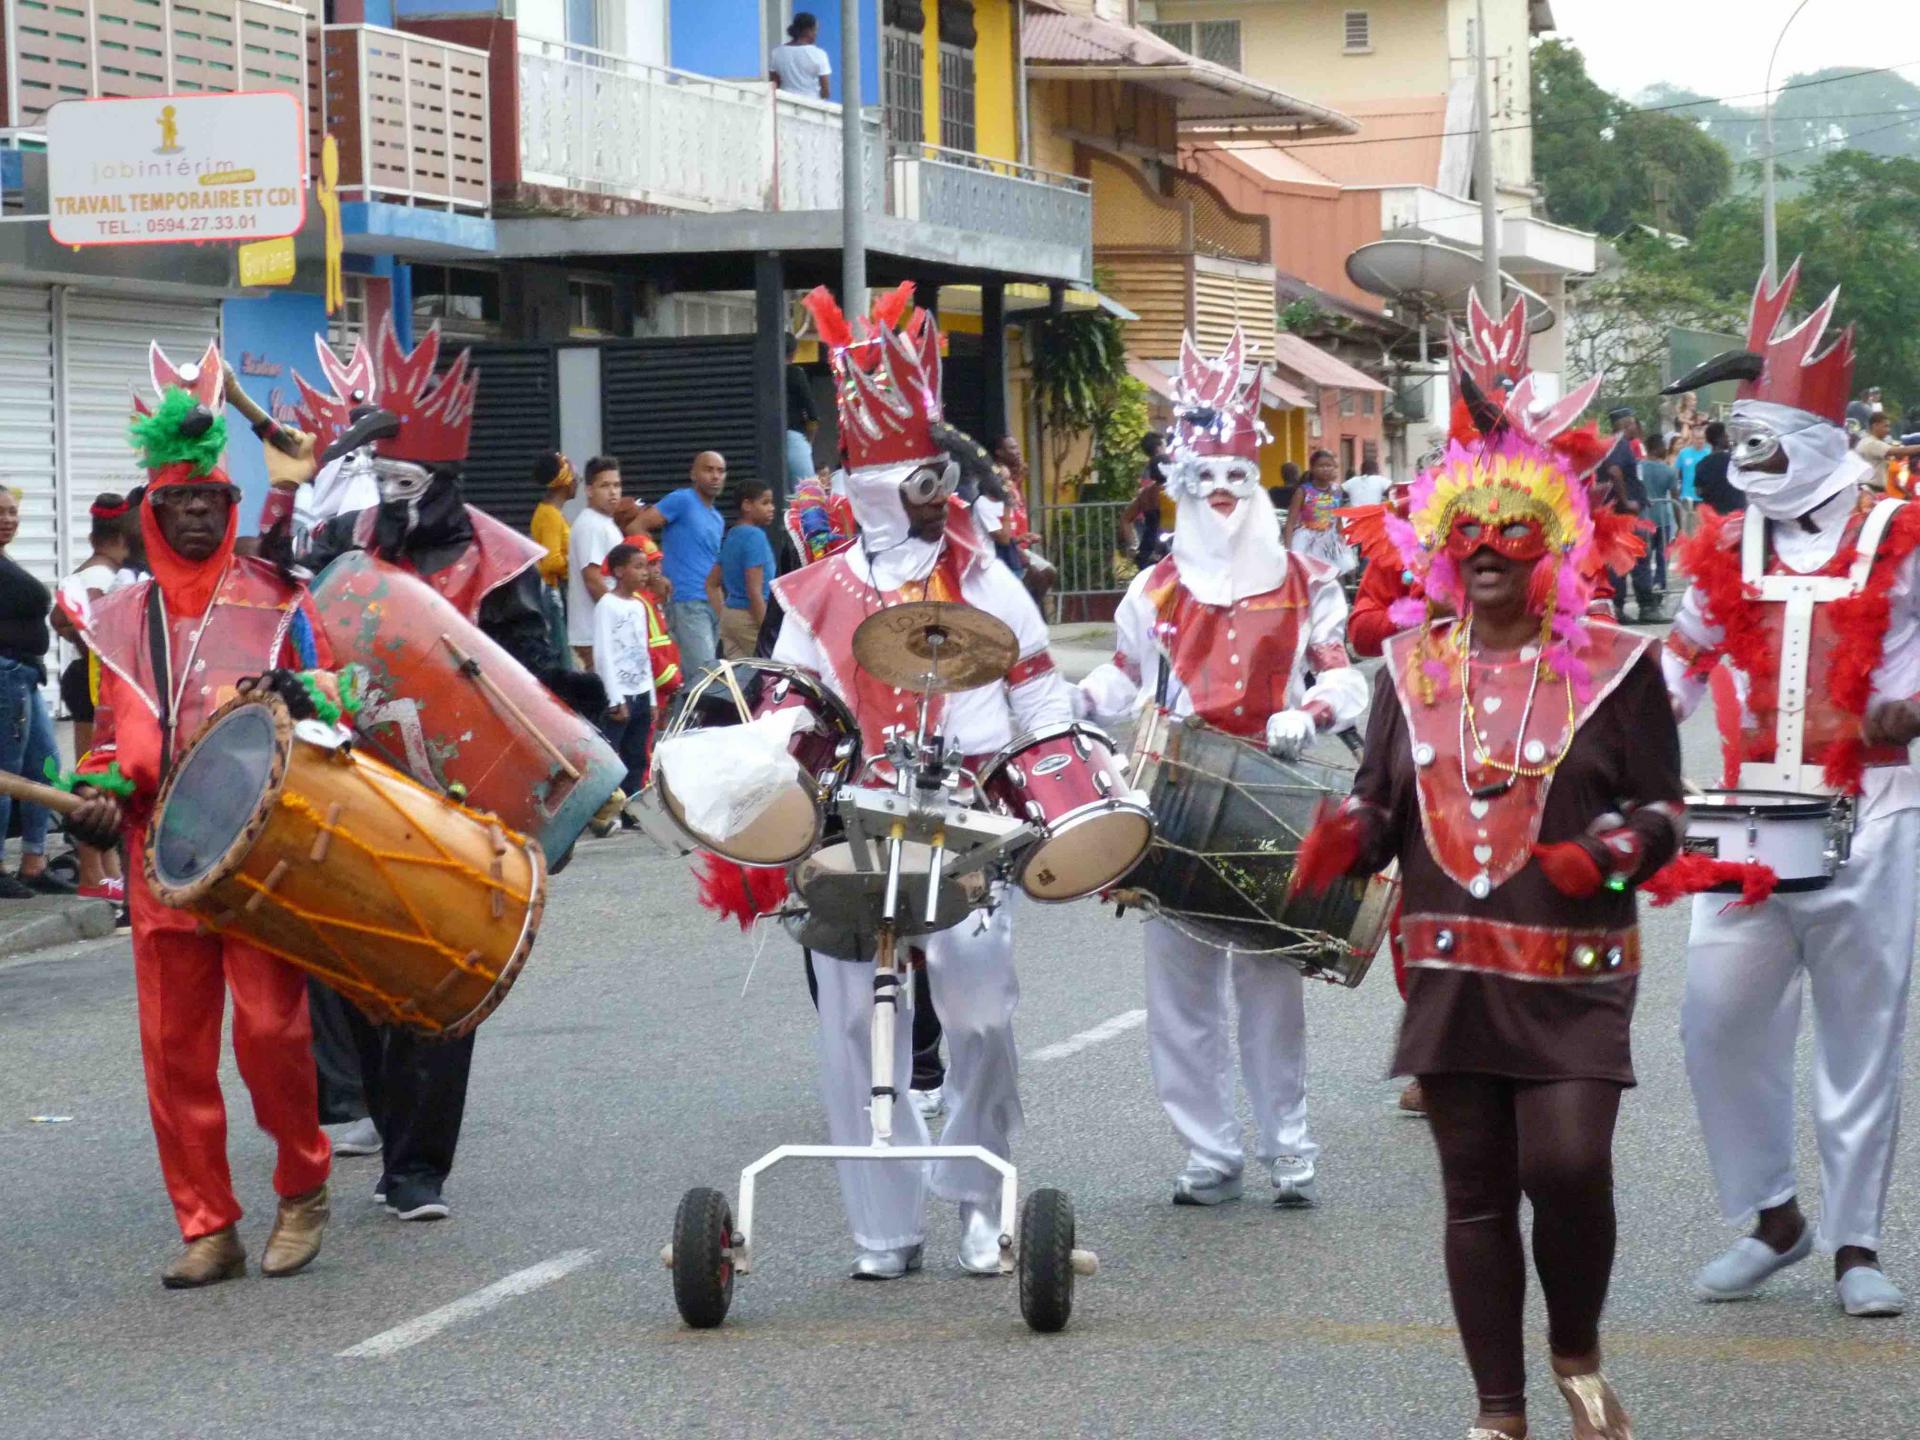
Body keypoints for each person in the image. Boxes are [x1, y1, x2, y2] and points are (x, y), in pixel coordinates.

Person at [1294, 417, 1683, 1440]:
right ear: (1441, 548)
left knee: (1566, 1168)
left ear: (1553, 543)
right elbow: (1380, 812)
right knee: (1474, 1193)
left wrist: (1605, 855)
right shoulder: (1412, 672)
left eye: (1513, 529)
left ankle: (1577, 1353)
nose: (1486, 547)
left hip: (1576, 968)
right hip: (1451, 969)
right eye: (1465, 530)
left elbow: (1665, 812)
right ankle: (1497, 1411)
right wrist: (1347, 837)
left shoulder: (1618, 667)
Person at [759, 283, 1074, 1279]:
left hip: (968, 819)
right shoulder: (817, 591)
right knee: (853, 1022)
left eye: (926, 477)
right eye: (900, 479)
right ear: (863, 484)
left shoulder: (990, 580)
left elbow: (1039, 694)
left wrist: (1060, 775)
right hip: (857, 822)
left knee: (981, 1012)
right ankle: (881, 1230)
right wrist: (761, 759)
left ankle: (980, 1198)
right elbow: (792, 696)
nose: (924, 495)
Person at [279, 320, 593, 1225]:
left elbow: (532, 679)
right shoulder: (332, 554)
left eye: (402, 481)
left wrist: (565, 729)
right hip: (346, 791)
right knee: (347, 974)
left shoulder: (495, 564)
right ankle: (370, 1117)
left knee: (440, 981)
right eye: (376, 481)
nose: (388, 497)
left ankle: (419, 1168)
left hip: (456, 808)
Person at [1659, 260, 1919, 1320]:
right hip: (1749, 818)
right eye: (1736, 435)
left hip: (1881, 815)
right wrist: (1599, 742)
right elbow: (1675, 669)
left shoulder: (1902, 538)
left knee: (1863, 1031)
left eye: (1758, 432)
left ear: (1813, 438)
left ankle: (1858, 1243)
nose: (1740, 452)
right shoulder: (1724, 543)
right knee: (1713, 1017)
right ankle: (1772, 1216)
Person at [63, 345, 335, 1286]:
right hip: (156, 863)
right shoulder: (120, 618)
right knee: (175, 1055)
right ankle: (205, 1223)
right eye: (177, 501)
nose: (193, 514)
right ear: (150, 512)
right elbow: (107, 732)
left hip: (255, 855)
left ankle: (302, 1187)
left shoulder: (277, 598)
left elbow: (336, 701)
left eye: (210, 502)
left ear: (228, 509)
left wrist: (305, 697)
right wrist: (97, 794)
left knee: (271, 1036)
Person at [1078, 332, 1366, 1209]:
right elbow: (1125, 676)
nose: (1224, 493)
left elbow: (1347, 677)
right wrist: (1076, 705)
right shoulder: (1155, 589)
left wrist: (1307, 711)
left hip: (1271, 794)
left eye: (1239, 477)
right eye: (1206, 479)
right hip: (1171, 793)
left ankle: (1289, 1148)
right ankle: (1208, 1153)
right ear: (1182, 487)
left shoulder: (1308, 576)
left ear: (1259, 482)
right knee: (1180, 989)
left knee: (1271, 983)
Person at [51, 494, 132, 903]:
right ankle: (93, 875)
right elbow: (85, 621)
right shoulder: (106, 575)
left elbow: (58, 616)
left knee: (98, 776)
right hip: (96, 681)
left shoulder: (85, 571)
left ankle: (108, 872)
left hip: (86, 677)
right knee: (94, 779)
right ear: (124, 536)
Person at [0, 486, 66, 898]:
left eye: (12, 512)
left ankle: (35, 861)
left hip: (25, 674)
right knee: (6, 772)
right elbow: (33, 600)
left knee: (46, 765)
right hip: (6, 674)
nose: (9, 519)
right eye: (0, 512)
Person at [636, 451, 727, 677]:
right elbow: (637, 527)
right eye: (708, 469)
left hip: (711, 605)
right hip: (686, 602)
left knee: (703, 678)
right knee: (705, 678)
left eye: (720, 470)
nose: (715, 476)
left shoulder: (718, 518)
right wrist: (654, 573)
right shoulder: (683, 500)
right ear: (693, 474)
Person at [594, 543, 661, 806]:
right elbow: (603, 655)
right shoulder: (606, 606)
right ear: (620, 571)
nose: (645, 573)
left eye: (646, 567)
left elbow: (642, 652)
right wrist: (614, 698)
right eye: (638, 567)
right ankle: (606, 806)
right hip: (620, 694)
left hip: (641, 692)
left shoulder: (638, 606)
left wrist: (652, 698)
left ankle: (631, 806)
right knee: (614, 753)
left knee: (637, 754)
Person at [708, 480, 777, 660]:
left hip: (730, 617)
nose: (772, 508)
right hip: (751, 618)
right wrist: (766, 631)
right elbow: (754, 591)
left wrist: (724, 614)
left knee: (739, 679)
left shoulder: (733, 534)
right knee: (771, 672)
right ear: (747, 505)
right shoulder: (755, 537)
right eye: (765, 503)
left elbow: (711, 583)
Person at [567, 457, 625, 667]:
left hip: (604, 633)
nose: (613, 492)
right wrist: (621, 616)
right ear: (589, 490)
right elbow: (592, 579)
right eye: (605, 486)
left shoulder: (605, 523)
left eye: (617, 485)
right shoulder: (591, 525)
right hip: (595, 634)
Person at [529, 452, 574, 664]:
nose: (578, 482)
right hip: (551, 592)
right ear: (564, 481)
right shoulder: (551, 516)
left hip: (550, 591)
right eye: (574, 476)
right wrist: (576, 566)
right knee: (561, 656)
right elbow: (551, 561)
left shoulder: (549, 513)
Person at [1284, 450, 1356, 575]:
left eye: (1329, 466)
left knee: (1335, 572)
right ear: (1312, 468)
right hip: (1306, 540)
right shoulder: (1303, 491)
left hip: (1330, 539)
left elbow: (1338, 521)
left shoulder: (1337, 491)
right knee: (1308, 573)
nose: (1325, 469)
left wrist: (1343, 542)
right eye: (1321, 466)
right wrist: (1288, 549)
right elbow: (1290, 523)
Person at [1638, 431, 1679, 593]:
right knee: (1662, 555)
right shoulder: (1668, 471)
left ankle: (1645, 586)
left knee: (1644, 556)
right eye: (1663, 445)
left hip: (1644, 519)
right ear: (1656, 448)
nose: (1665, 449)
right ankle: (1660, 584)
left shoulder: (1639, 467)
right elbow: (1675, 498)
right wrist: (1680, 523)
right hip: (1663, 519)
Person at [1123, 432, 1171, 567]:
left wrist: (1133, 545)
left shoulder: (1144, 494)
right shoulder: (1174, 492)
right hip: (1169, 548)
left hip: (1147, 547)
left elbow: (1125, 519)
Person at [769, 10, 831, 99]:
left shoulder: (777, 52)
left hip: (785, 101)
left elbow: (774, 83)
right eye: (815, 29)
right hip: (811, 102)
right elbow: (826, 91)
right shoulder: (819, 54)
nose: (816, 33)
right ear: (807, 30)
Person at [1856, 410, 1920, 495]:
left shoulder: (1867, 441)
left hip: (1873, 490)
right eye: (1885, 426)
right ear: (1875, 425)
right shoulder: (1872, 443)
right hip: (1870, 491)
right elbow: (1900, 451)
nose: (1888, 430)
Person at [785, 334, 818, 485]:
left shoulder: (759, 372)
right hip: (793, 437)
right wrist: (808, 443)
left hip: (762, 439)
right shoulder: (795, 374)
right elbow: (813, 416)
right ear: (793, 353)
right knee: (806, 493)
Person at [1691, 420, 1742, 514]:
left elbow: (1698, 492)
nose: (1728, 438)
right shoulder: (1735, 461)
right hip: (1736, 513)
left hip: (1713, 517)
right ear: (1721, 438)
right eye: (1726, 435)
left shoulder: (1702, 464)